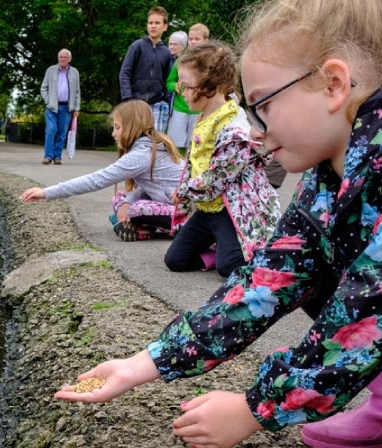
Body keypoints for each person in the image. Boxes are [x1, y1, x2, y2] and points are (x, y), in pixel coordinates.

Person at [54, 0, 382, 448]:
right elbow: (268, 280)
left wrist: (256, 409)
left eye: (261, 108)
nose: (254, 130)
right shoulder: (337, 163)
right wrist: (141, 365)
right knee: (323, 261)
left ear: (333, 83)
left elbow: (368, 307)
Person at [164, 40, 280, 277]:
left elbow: (217, 178)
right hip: (207, 207)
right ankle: (217, 249)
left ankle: (243, 249)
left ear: (211, 85)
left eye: (186, 86)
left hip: (230, 209)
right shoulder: (204, 115)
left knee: (231, 267)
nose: (181, 91)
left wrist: (185, 190)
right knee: (175, 260)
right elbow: (194, 160)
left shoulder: (233, 129)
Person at [20, 99, 185, 241]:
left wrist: (46, 193)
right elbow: (148, 188)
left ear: (132, 127)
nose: (113, 134)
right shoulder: (146, 149)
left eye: (117, 127)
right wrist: (127, 201)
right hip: (170, 205)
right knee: (120, 199)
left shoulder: (141, 155)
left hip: (186, 213)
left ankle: (153, 227)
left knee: (137, 209)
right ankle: (144, 227)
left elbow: (96, 180)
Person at [119, 6, 173, 133]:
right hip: (136, 103)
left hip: (157, 104)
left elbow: (167, 80)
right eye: (150, 23)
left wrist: (166, 99)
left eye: (157, 23)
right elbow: (124, 73)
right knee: (134, 138)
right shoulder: (137, 46)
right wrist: (128, 99)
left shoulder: (166, 52)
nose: (153, 26)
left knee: (155, 141)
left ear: (165, 26)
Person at [39, 49, 81, 165]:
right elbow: (43, 88)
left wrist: (77, 108)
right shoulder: (51, 70)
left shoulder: (74, 72)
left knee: (62, 133)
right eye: (61, 57)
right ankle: (48, 156)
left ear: (69, 59)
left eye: (65, 57)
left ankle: (57, 156)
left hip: (67, 107)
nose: (63, 59)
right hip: (52, 107)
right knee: (51, 130)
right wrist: (48, 101)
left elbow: (77, 92)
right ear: (58, 58)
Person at [164, 27, 202, 151]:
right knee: (174, 145)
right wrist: (175, 86)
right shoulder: (181, 61)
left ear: (205, 40)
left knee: (194, 146)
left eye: (197, 39)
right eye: (191, 39)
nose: (193, 42)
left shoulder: (209, 61)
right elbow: (169, 82)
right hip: (179, 109)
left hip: (199, 110)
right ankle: (177, 169)